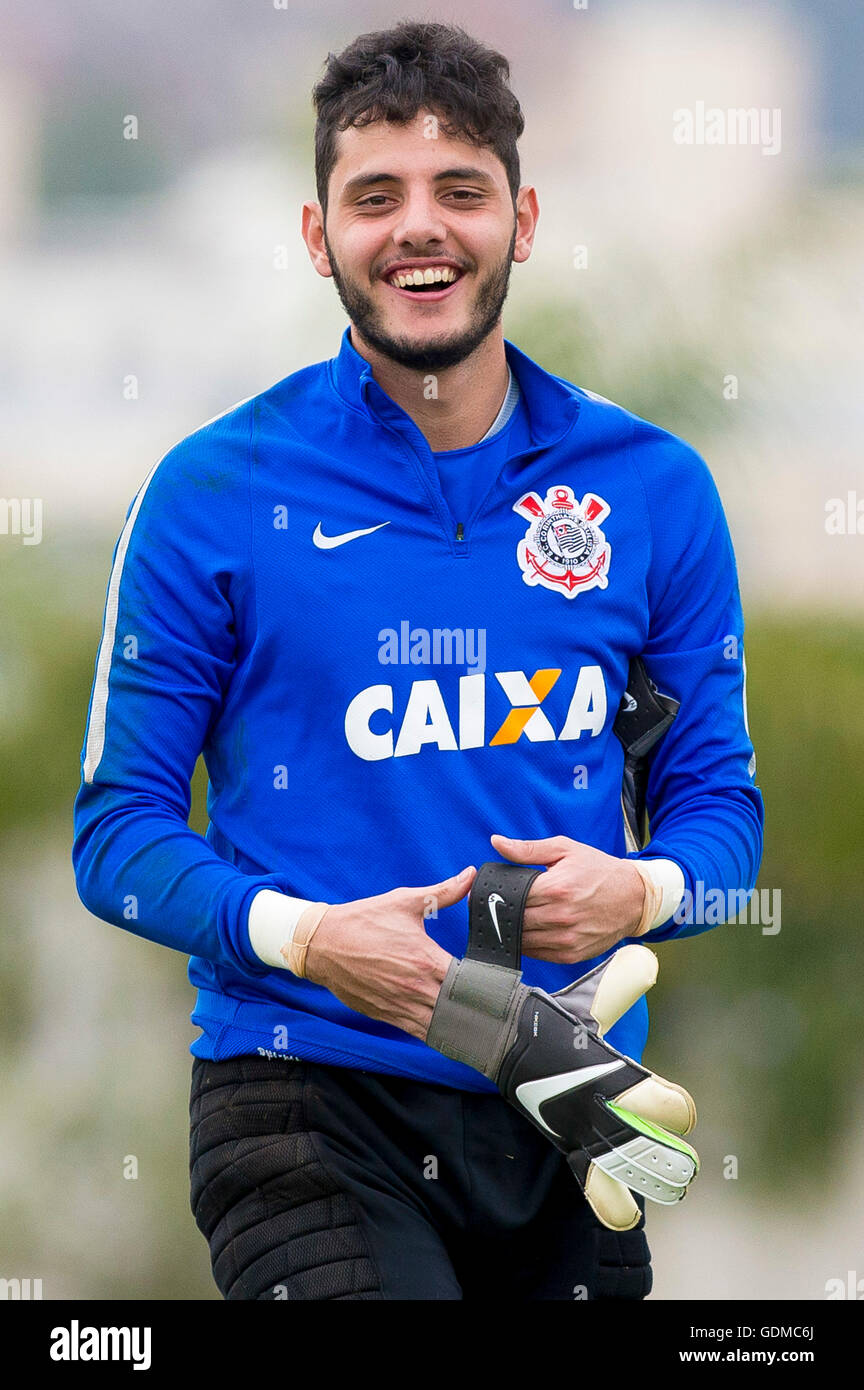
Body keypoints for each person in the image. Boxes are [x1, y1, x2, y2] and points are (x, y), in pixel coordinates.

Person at [72, 20, 763, 1301]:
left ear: (525, 216)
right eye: (374, 196)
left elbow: (724, 819)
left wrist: (644, 891)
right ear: (316, 232)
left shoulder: (654, 490)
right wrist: (313, 936)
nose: (419, 229)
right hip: (302, 1097)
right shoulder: (213, 492)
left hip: (574, 1099)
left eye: (461, 191)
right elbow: (115, 840)